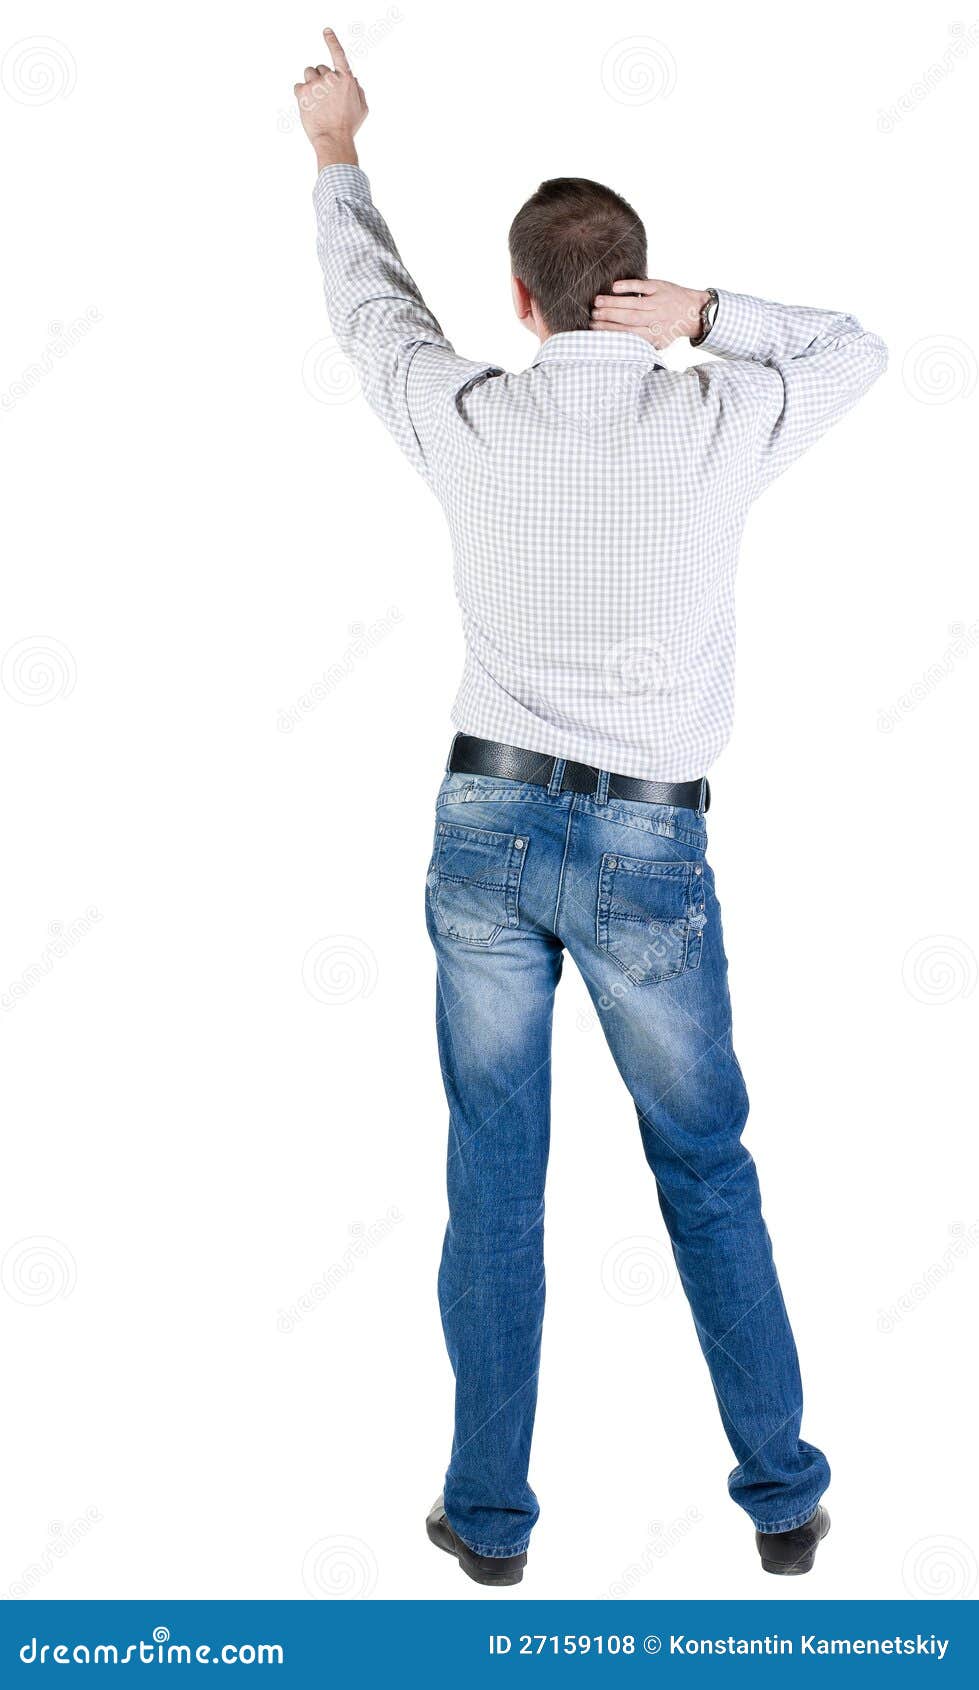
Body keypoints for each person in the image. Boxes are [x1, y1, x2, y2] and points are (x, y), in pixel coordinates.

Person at [294, 29, 887, 1586]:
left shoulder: (468, 416)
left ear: (521, 300)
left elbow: (371, 314)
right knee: (705, 1163)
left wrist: (338, 152)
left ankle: (488, 1523)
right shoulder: (716, 418)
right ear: (633, 291)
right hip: (648, 848)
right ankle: (781, 1501)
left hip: (481, 835)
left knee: (494, 1170)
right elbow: (855, 350)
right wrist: (715, 317)